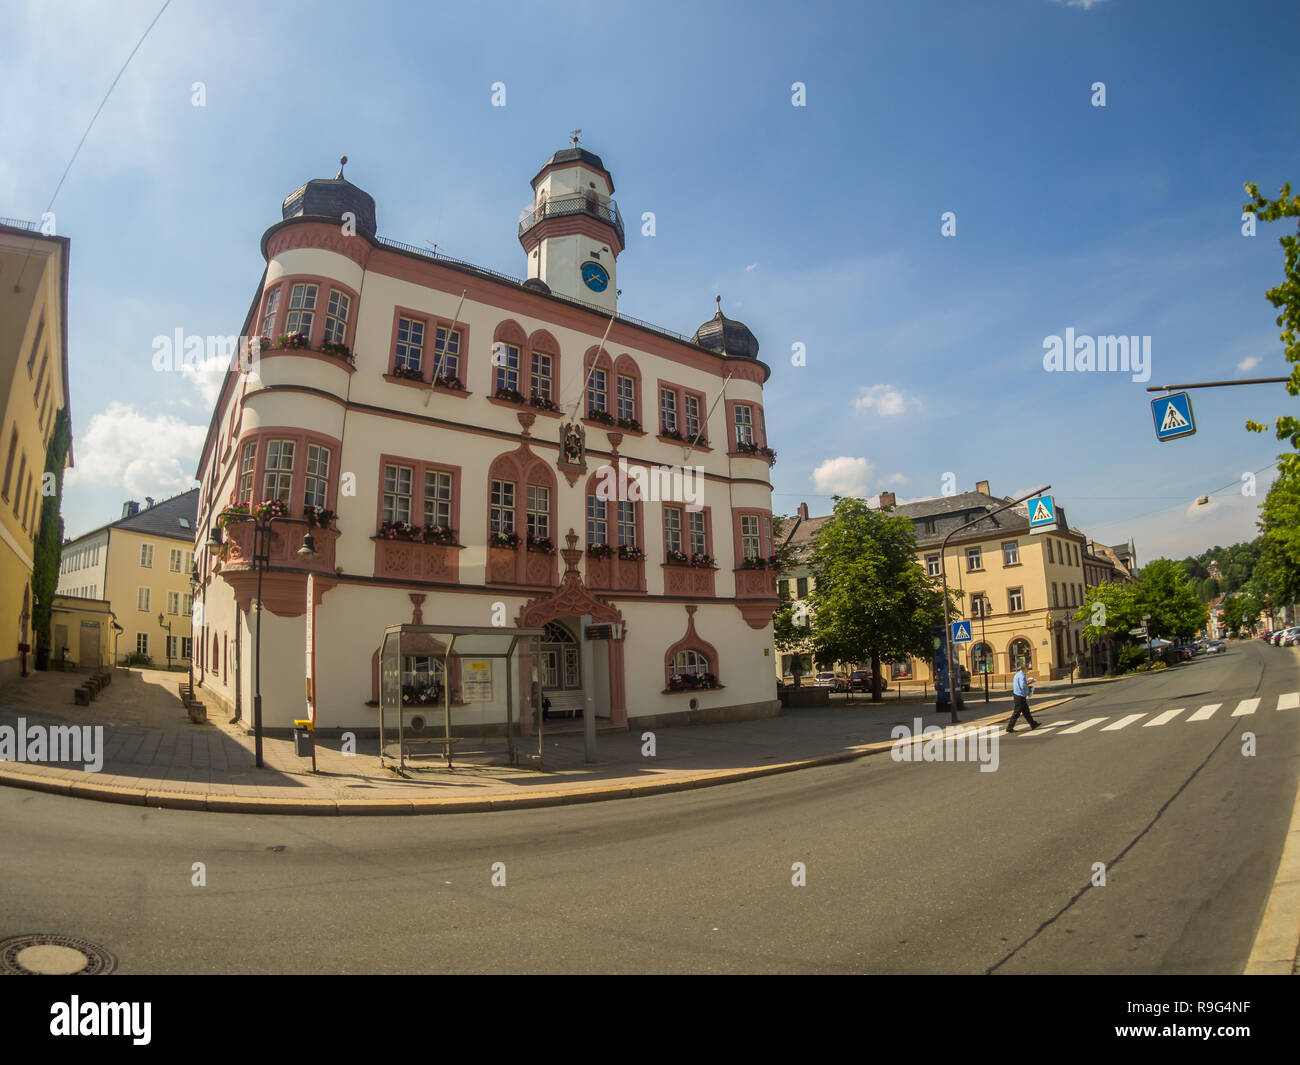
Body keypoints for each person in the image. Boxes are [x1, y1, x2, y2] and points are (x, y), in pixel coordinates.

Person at [1007, 665, 1040, 732]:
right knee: (1017, 713)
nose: (1027, 671)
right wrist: (1030, 682)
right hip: (1020, 696)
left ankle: (1033, 724)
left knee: (1026, 711)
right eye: (1027, 669)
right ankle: (1009, 728)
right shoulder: (1022, 676)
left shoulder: (1017, 674)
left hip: (1018, 695)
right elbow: (1023, 686)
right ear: (1023, 669)